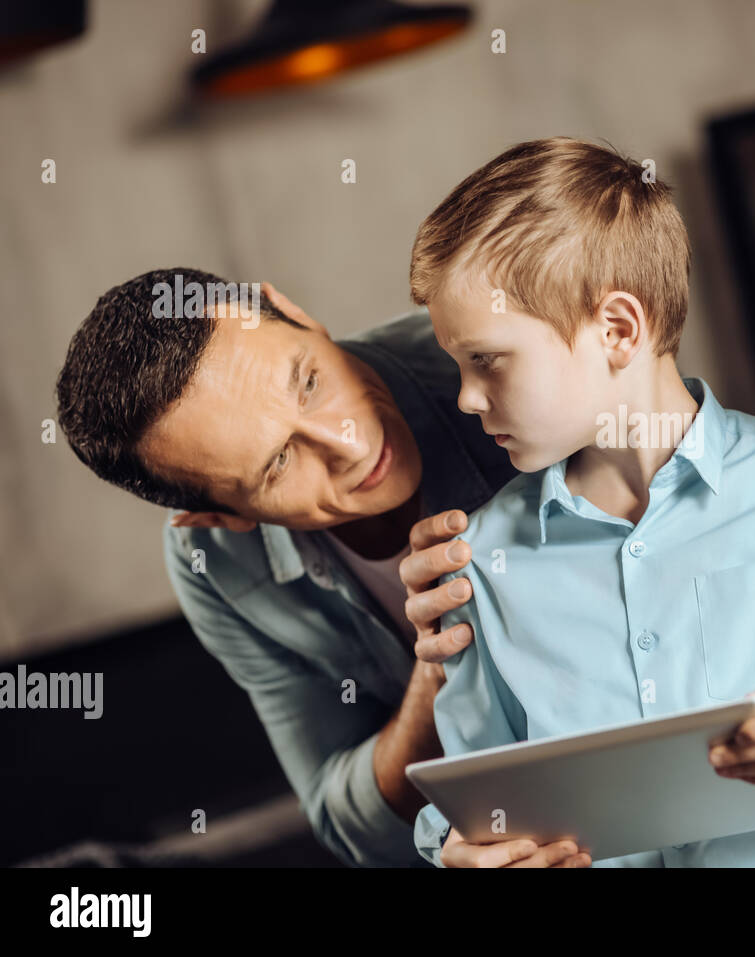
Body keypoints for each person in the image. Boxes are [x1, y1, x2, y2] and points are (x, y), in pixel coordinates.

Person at [404, 137, 755, 868]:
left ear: (617, 329)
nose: (466, 397)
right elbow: (479, 801)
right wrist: (462, 851)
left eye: (486, 359)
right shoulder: (477, 562)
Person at [55, 270, 516, 865]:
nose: (348, 444)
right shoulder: (215, 564)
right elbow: (356, 830)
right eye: (277, 463)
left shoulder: (498, 353)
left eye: (309, 382)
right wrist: (439, 675)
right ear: (222, 519)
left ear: (297, 314)